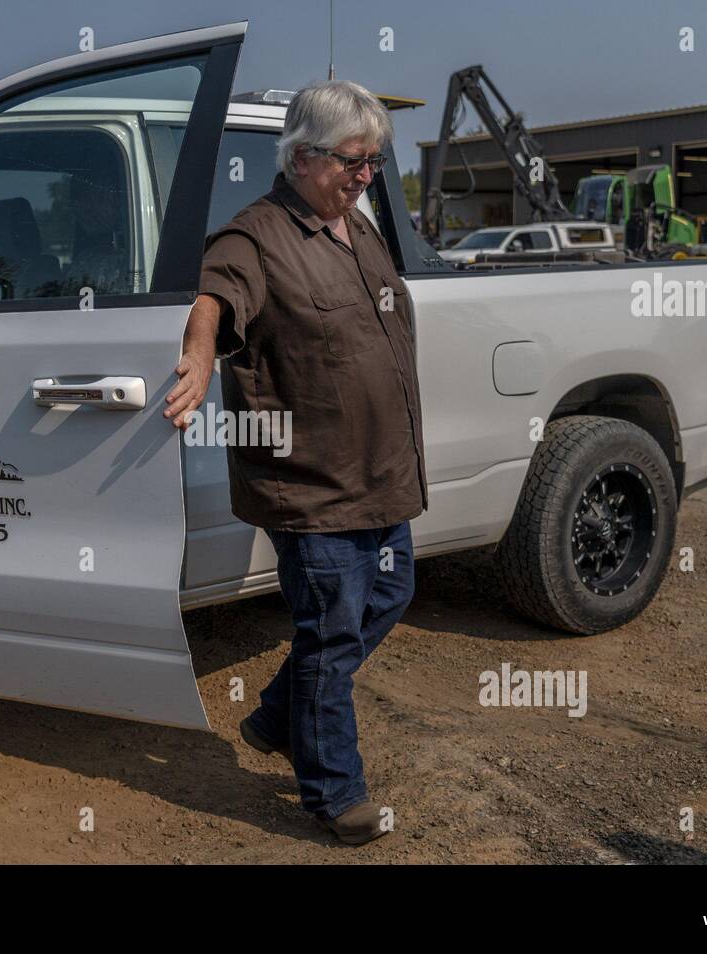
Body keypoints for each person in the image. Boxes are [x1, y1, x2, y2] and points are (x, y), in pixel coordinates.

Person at [164, 80, 428, 845]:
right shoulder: (257, 234)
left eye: (374, 161)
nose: (365, 175)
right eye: (352, 160)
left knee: (388, 597)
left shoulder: (359, 228)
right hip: (310, 483)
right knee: (331, 632)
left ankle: (282, 716)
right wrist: (198, 351)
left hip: (381, 473)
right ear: (303, 155)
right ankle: (334, 794)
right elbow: (215, 296)